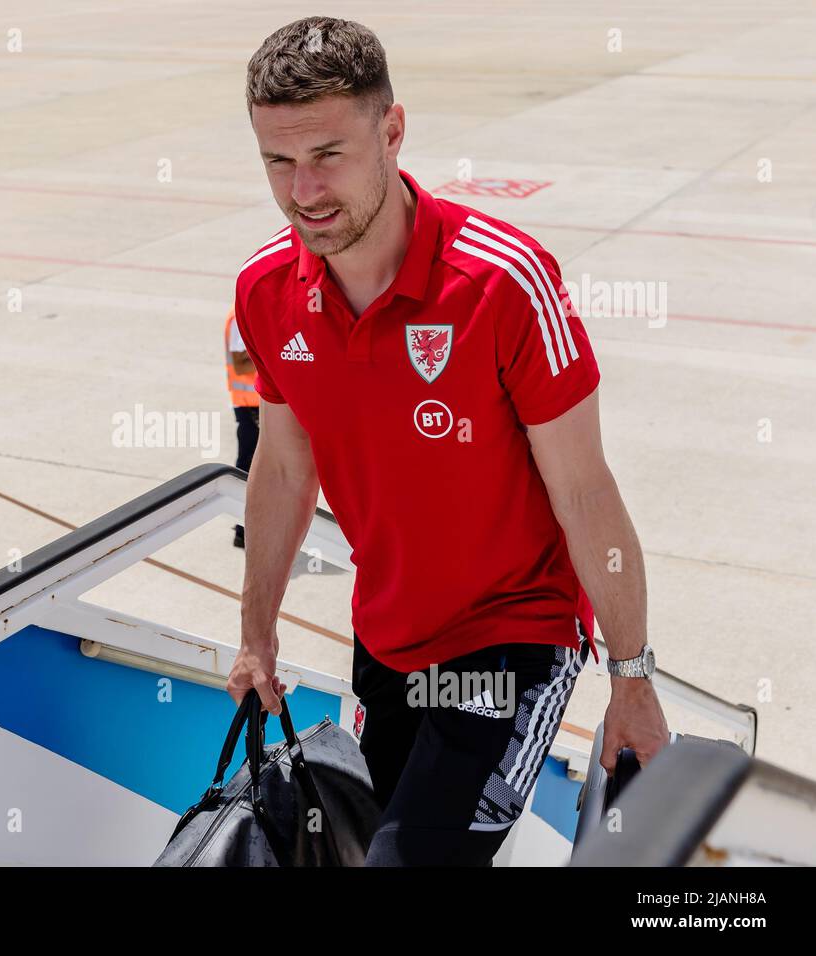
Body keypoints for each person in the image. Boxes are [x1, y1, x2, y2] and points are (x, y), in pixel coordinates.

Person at [226, 16, 670, 866]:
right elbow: (283, 469)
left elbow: (584, 492)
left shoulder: (503, 281)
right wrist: (257, 633)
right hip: (388, 639)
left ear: (392, 130)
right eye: (278, 163)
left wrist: (633, 676)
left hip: (512, 637)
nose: (303, 190)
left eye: (328, 155)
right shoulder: (262, 291)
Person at [225, 303, 261, 547]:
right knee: (248, 469)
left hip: (257, 403)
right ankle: (242, 529)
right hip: (250, 406)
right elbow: (241, 364)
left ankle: (250, 528)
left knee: (259, 469)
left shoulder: (250, 312)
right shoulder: (241, 316)